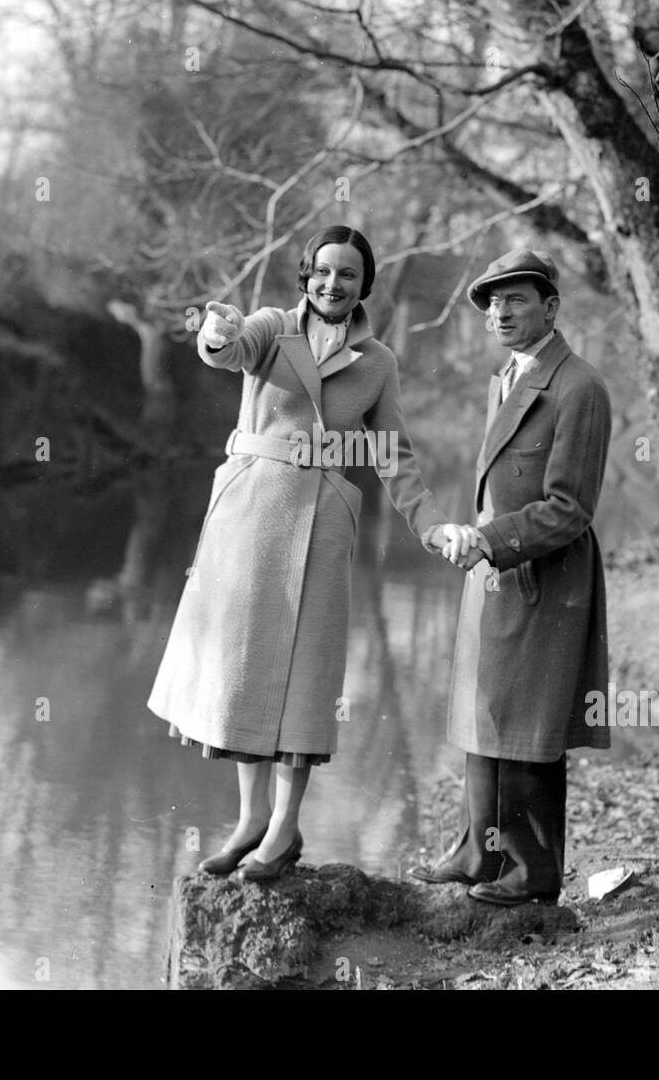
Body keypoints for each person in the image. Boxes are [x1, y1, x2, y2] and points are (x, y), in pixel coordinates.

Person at [147, 226, 460, 883]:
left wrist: (430, 526)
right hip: (250, 520)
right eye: (322, 271)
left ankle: (285, 827)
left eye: (347, 274)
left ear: (364, 286)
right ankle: (249, 821)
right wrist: (217, 330)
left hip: (322, 522)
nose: (332, 284)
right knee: (244, 666)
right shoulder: (270, 327)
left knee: (305, 674)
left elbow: (392, 455)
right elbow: (227, 351)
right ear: (305, 275)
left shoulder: (377, 362)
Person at [410, 248, 613, 906]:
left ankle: (532, 871)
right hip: (492, 571)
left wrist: (491, 542)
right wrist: (481, 543)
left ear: (551, 308)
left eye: (516, 299)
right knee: (482, 712)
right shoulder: (506, 377)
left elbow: (570, 509)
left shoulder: (580, 387)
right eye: (492, 302)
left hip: (541, 576)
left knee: (527, 722)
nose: (500, 310)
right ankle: (478, 849)